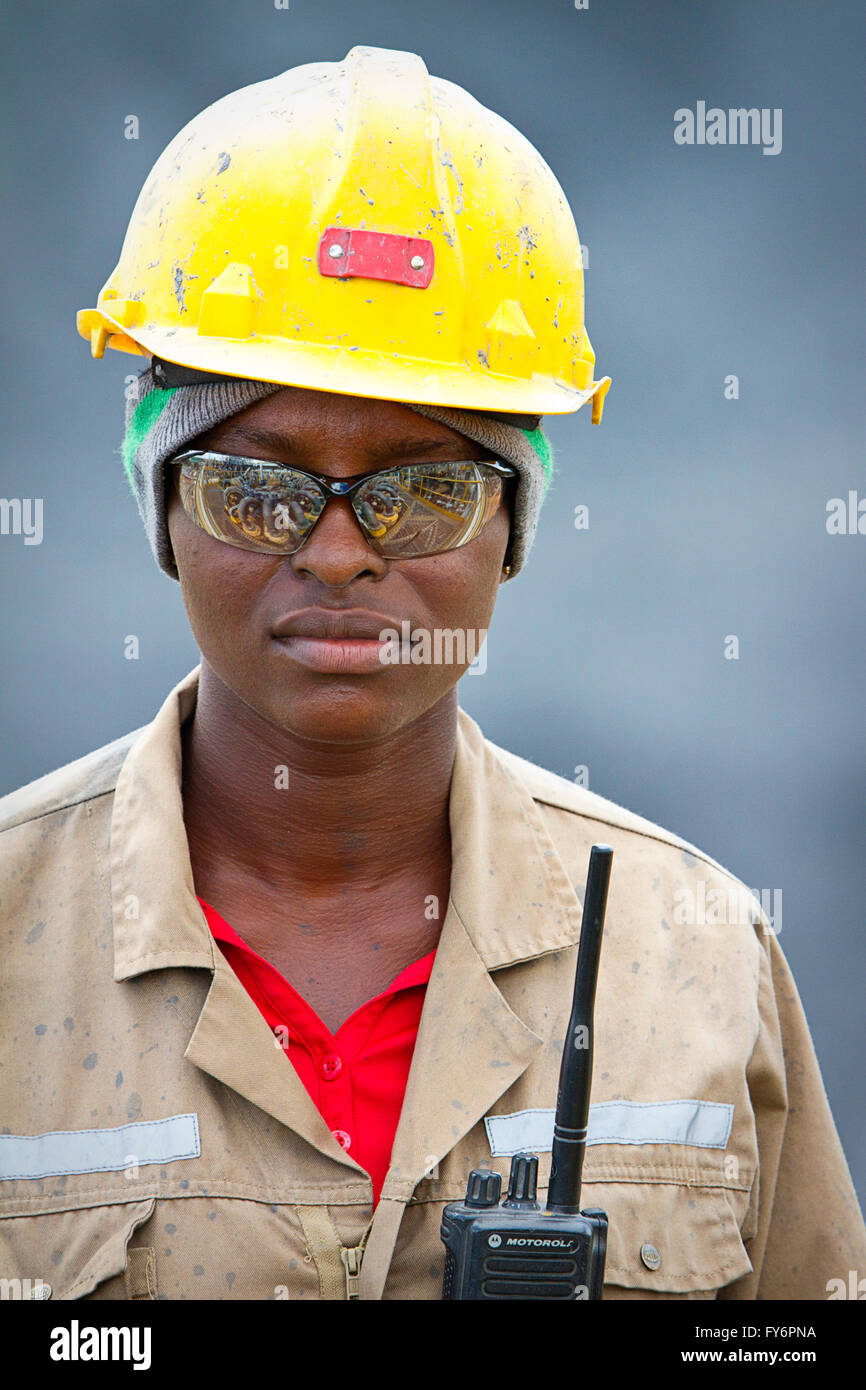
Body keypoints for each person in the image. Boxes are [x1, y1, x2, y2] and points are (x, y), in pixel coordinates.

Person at [1, 45, 863, 1302]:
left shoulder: (695, 953)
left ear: (512, 528)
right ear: (161, 508)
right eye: (259, 488)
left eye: (423, 490)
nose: (339, 552)